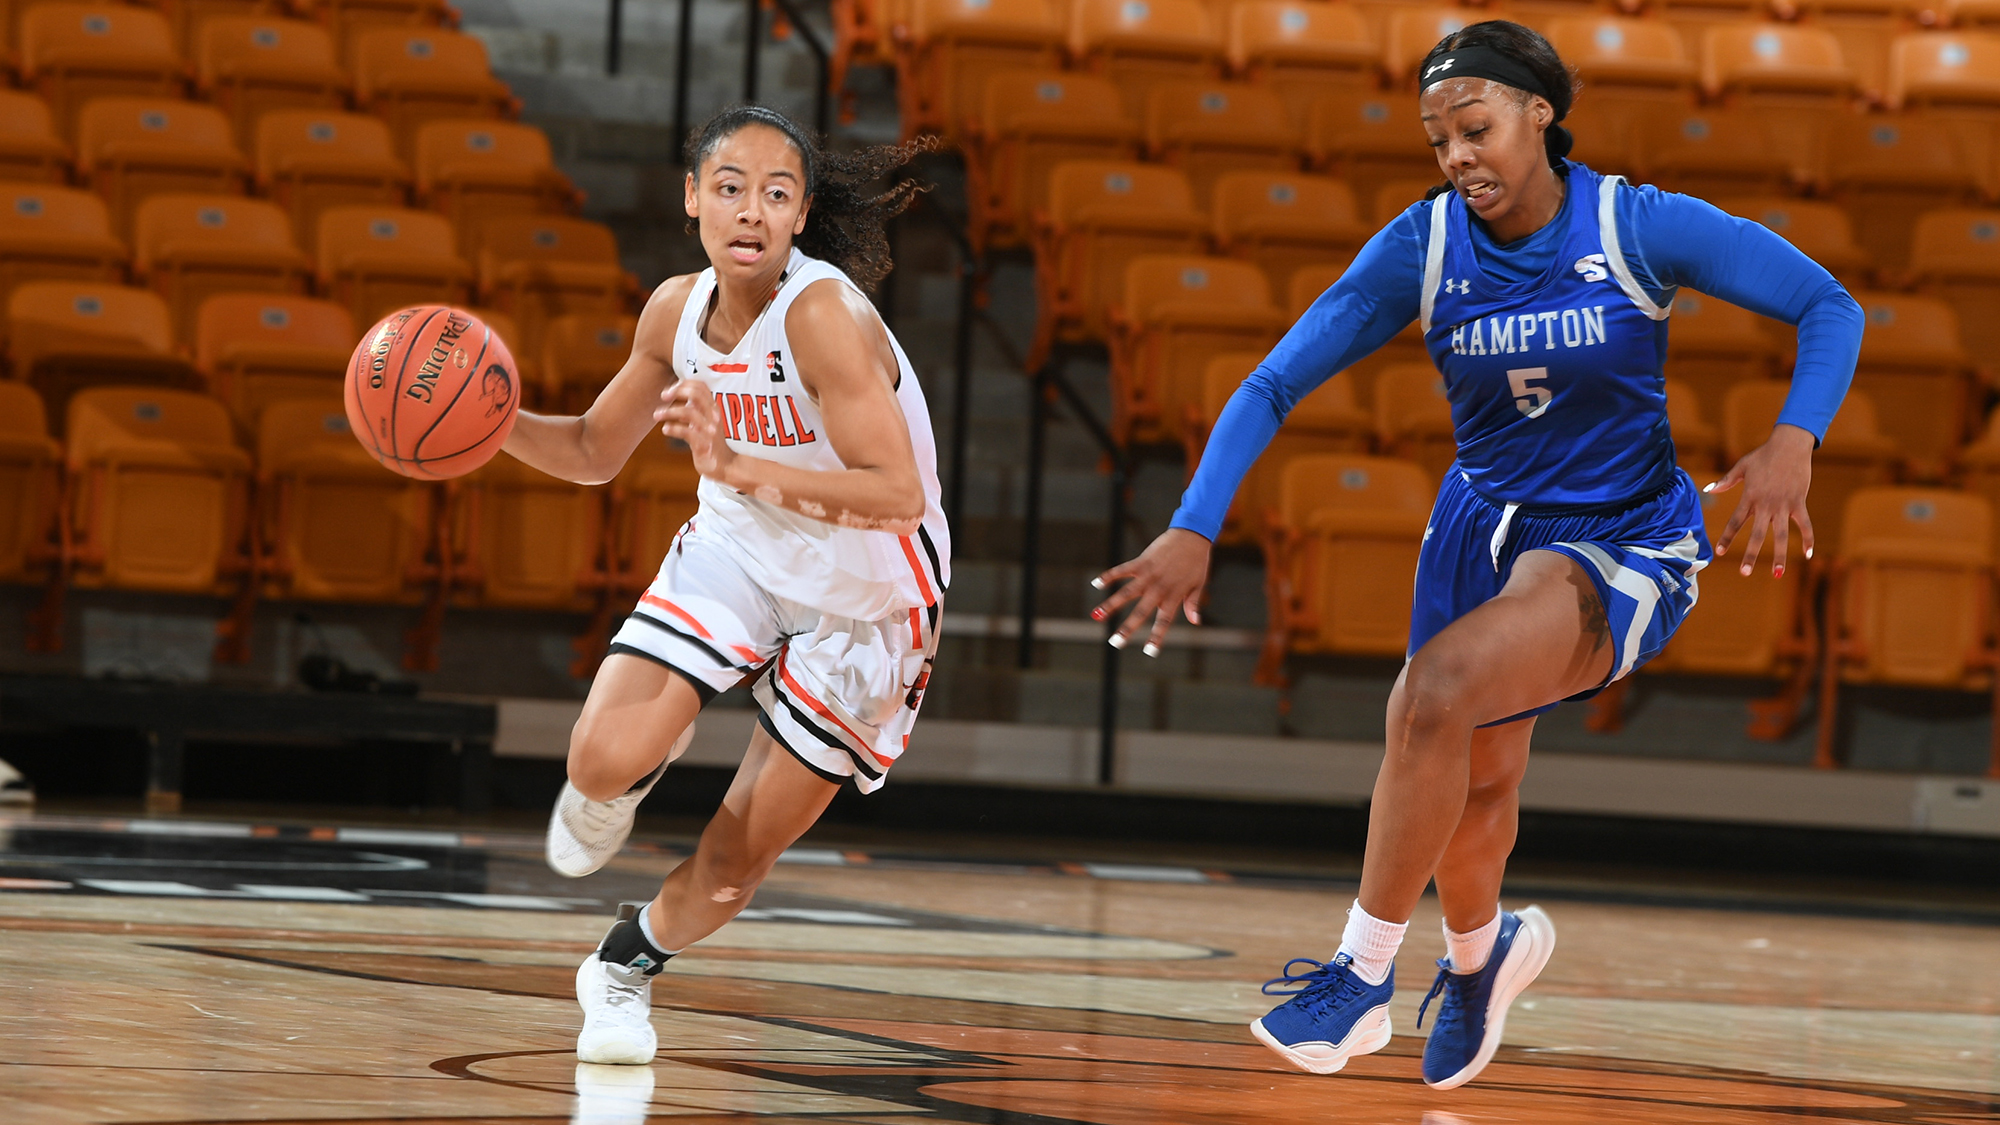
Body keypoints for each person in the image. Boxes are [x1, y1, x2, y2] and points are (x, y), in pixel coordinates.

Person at [1090, 21, 1861, 1091]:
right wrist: (1192, 523)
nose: (1456, 155)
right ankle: (1478, 958)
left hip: (1617, 538)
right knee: (1474, 780)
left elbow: (1828, 303)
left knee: (1433, 691)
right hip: (1479, 528)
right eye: (1437, 139)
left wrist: (1792, 439)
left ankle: (1359, 978)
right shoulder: (1422, 245)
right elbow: (1270, 383)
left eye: (1475, 128)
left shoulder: (1633, 224)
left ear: (1538, 116)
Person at [499, 105, 950, 1065]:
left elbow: (898, 495)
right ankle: (635, 764)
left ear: (800, 216)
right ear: (695, 197)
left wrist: (743, 465)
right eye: (732, 188)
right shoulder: (673, 310)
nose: (752, 211)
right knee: (596, 761)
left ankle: (620, 968)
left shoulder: (822, 316)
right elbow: (588, 450)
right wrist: (489, 422)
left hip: (870, 597)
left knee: (736, 862)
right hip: (742, 548)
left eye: (777, 194)